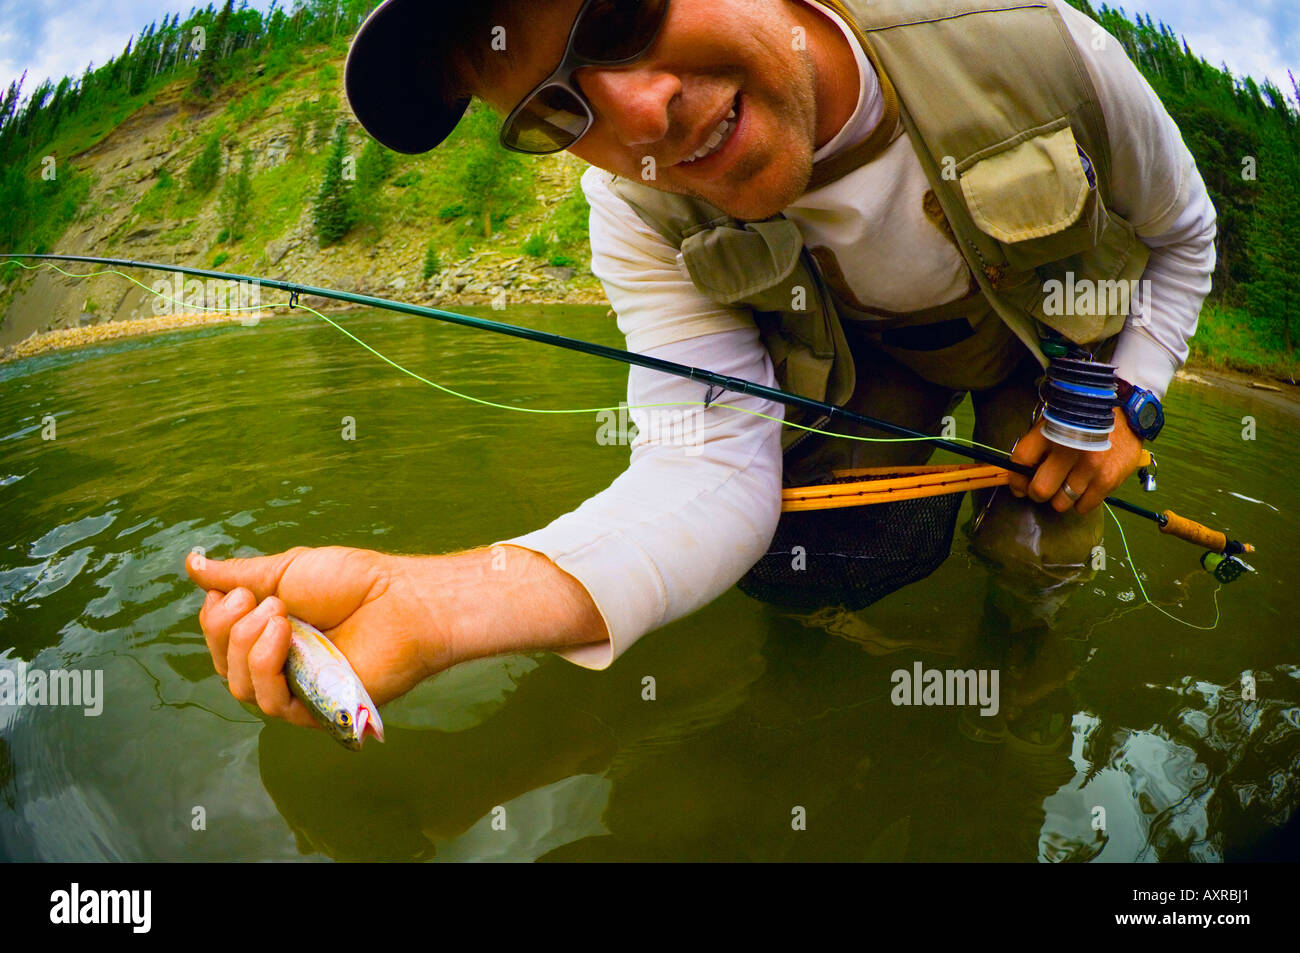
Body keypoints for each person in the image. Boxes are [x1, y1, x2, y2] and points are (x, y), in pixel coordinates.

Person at [187, 0, 1215, 735]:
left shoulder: (1034, 38)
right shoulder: (632, 209)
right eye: (559, 113)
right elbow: (704, 469)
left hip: (1047, 349)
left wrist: (1135, 401)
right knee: (789, 531)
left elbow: (1183, 235)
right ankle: (807, 651)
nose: (638, 117)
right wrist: (436, 605)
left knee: (1039, 538)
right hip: (880, 358)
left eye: (627, 15)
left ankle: (1019, 641)